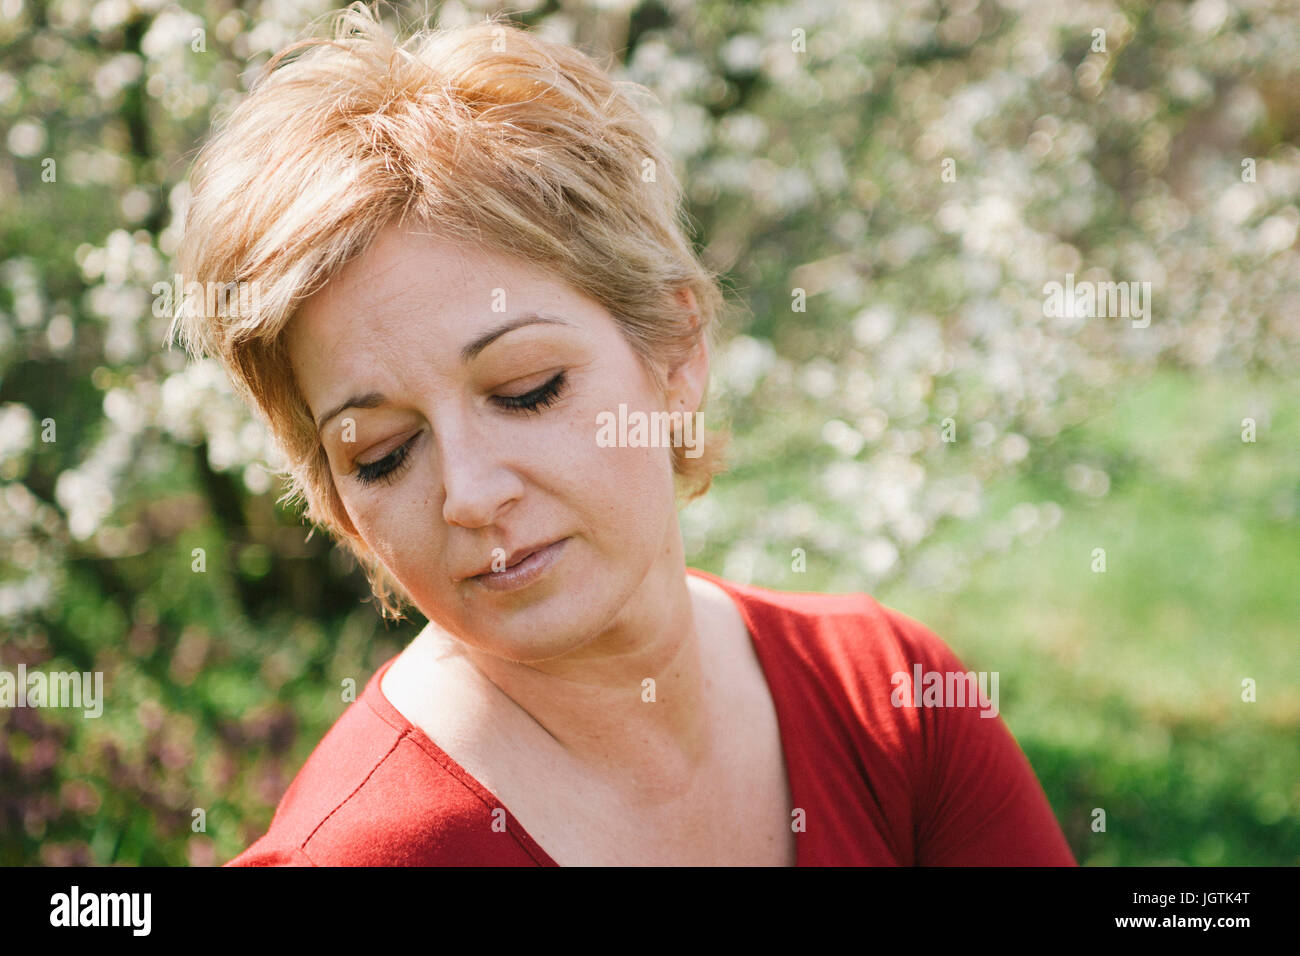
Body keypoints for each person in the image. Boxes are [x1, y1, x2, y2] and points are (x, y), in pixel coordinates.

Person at [170, 5, 1076, 866]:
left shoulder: (891, 698)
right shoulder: (357, 853)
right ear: (337, 502)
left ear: (676, 353)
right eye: (382, 455)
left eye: (527, 390)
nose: (471, 494)